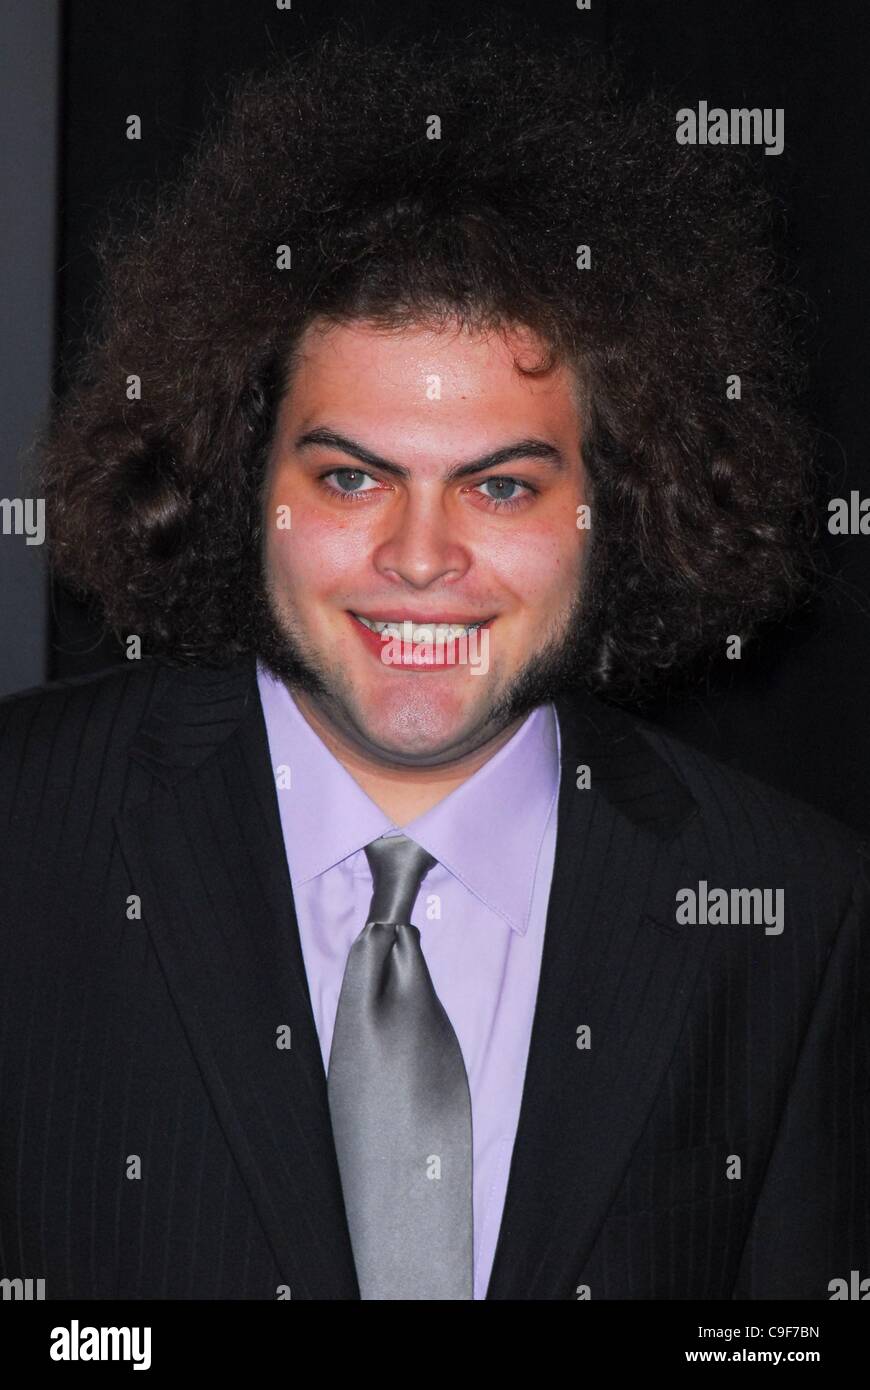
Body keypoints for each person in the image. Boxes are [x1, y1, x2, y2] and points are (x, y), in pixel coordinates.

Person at [1, 26, 867, 1301]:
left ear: (620, 501)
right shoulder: (21, 837)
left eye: (501, 487)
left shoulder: (790, 911)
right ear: (243, 479)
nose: (419, 555)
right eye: (351, 476)